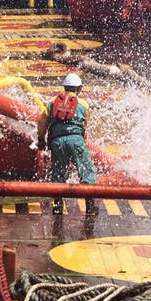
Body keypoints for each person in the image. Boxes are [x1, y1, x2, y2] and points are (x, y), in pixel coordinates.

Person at [37, 72, 97, 215]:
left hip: (57, 142)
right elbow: (84, 124)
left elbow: (42, 123)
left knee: (58, 172)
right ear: (79, 89)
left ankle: (58, 206)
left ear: (64, 87)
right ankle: (90, 206)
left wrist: (41, 139)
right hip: (76, 140)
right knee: (86, 171)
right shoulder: (83, 104)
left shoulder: (52, 102)